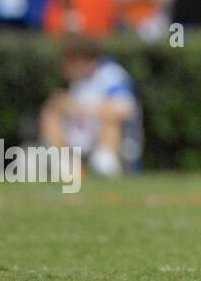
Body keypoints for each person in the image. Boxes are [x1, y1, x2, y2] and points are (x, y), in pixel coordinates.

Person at [39, 33, 143, 177]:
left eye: (68, 61)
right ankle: (61, 161)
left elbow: (126, 108)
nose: (63, 67)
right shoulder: (77, 83)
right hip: (81, 138)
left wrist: (78, 108)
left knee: (111, 122)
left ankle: (104, 163)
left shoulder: (110, 75)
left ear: (82, 60)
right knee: (51, 113)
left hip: (110, 141)